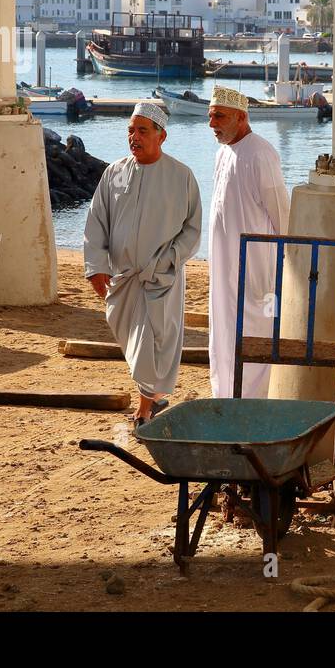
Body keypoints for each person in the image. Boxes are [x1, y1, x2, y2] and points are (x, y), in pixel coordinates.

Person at [83, 102, 202, 426]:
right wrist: (96, 266)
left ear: (161, 136)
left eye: (142, 131)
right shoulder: (114, 172)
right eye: (130, 131)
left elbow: (192, 230)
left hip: (161, 276)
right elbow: (96, 223)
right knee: (132, 339)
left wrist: (169, 260)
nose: (134, 137)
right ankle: (156, 397)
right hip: (123, 278)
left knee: (155, 340)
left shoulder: (181, 176)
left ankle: (145, 406)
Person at [206, 85, 290, 399]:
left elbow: (281, 213)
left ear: (241, 117)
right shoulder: (221, 153)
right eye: (210, 116)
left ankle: (252, 401)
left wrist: (289, 258)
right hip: (224, 263)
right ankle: (225, 396)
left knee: (255, 326)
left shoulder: (262, 153)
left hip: (256, 264)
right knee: (224, 328)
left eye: (219, 117)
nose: (212, 124)